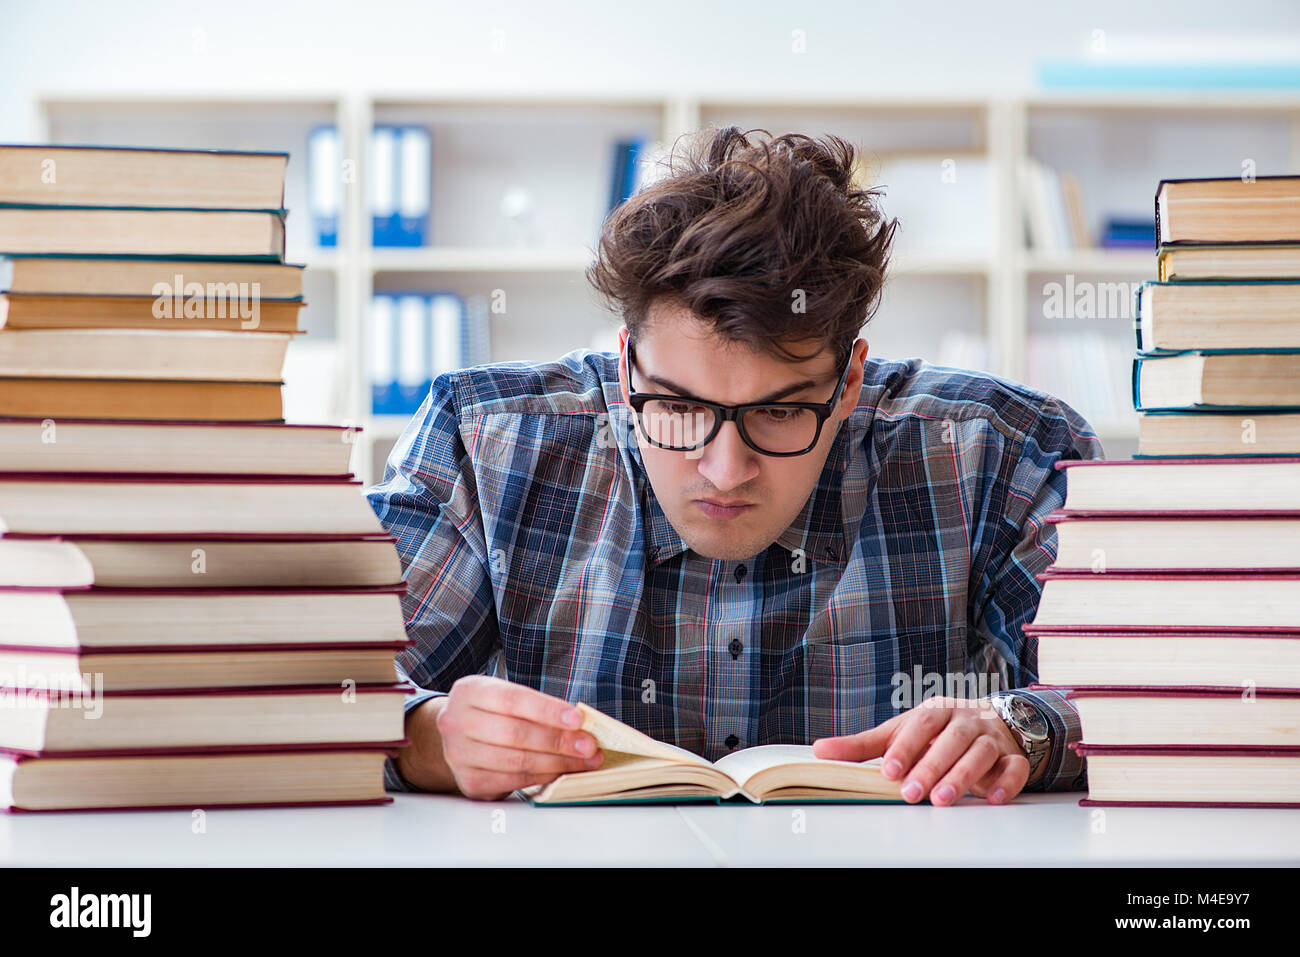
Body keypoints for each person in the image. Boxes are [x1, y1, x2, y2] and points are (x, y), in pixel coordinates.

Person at [366, 127, 1102, 805]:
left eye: (779, 411)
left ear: (849, 382)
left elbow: (1147, 692)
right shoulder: (483, 439)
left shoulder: (1005, 451)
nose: (725, 469)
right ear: (626, 370)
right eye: (681, 408)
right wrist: (430, 735)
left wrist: (1022, 727)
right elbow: (336, 684)